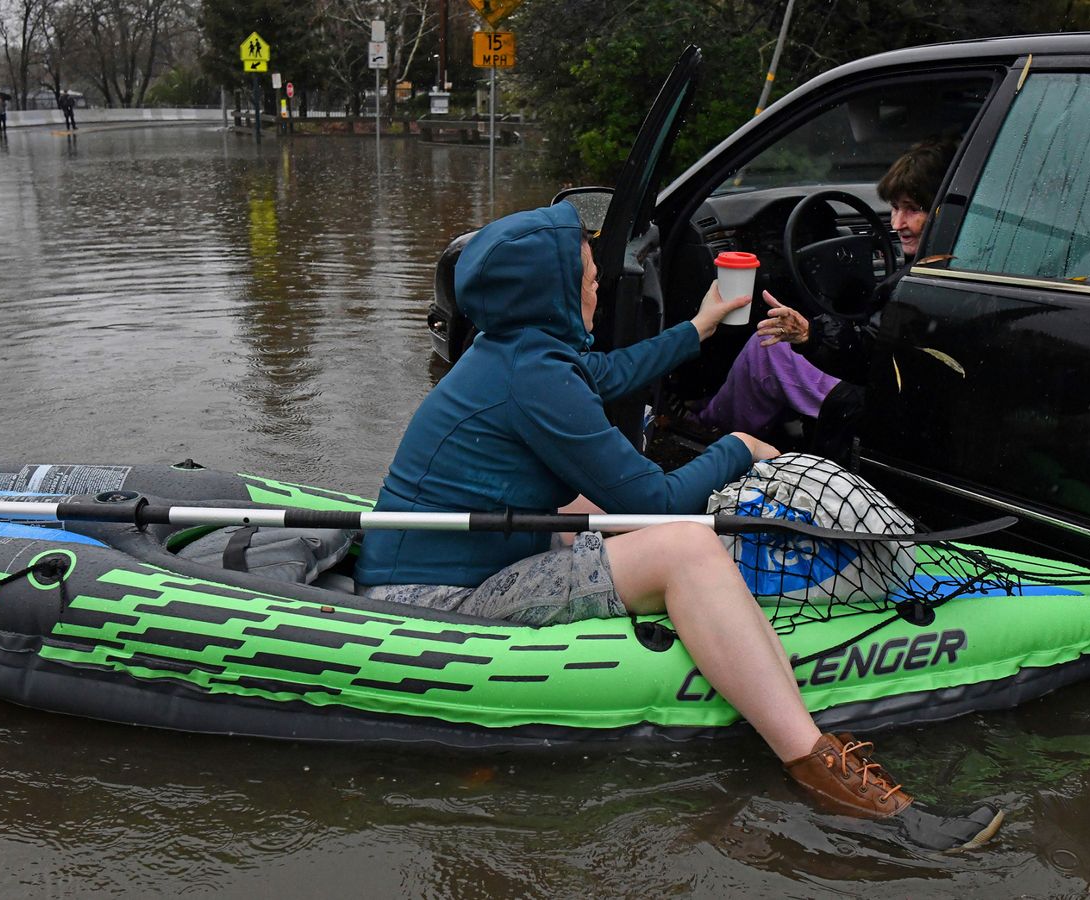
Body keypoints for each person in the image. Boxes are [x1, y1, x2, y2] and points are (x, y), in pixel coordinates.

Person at [354, 202, 1000, 849]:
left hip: (457, 561)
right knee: (685, 544)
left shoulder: (518, 349)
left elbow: (609, 374)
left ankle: (748, 658)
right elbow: (658, 505)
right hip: (438, 605)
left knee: (599, 510)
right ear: (546, 289)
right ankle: (821, 772)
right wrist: (740, 446)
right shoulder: (534, 377)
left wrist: (703, 322)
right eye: (584, 273)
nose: (598, 283)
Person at [694, 138, 957, 459]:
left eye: (913, 210)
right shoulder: (957, 256)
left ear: (944, 210)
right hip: (919, 400)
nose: (897, 223)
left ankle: (710, 434)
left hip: (878, 402)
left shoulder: (918, 283)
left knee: (767, 347)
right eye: (894, 208)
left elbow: (867, 358)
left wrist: (811, 334)